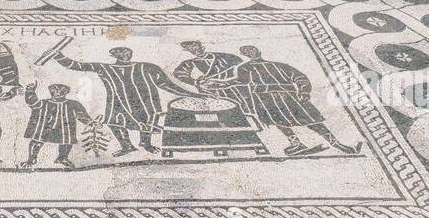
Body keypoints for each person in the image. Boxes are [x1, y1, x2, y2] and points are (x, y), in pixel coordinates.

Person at [206, 45, 362, 156]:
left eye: (252, 49)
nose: (250, 52)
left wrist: (304, 91)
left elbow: (300, 77)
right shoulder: (244, 68)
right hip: (264, 99)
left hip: (289, 95)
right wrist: (218, 84)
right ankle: (296, 143)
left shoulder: (280, 65)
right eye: (246, 51)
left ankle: (337, 144)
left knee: (311, 120)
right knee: (278, 121)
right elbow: (238, 81)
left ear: (259, 50)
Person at [53, 46, 194, 155]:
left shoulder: (147, 67)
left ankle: (146, 144)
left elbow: (166, 84)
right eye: (122, 53)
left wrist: (192, 94)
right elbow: (76, 65)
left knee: (147, 121)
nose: (126, 55)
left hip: (146, 101)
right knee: (115, 123)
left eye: (127, 53)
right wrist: (58, 55)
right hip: (118, 102)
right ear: (114, 55)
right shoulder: (105, 68)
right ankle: (126, 146)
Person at [18, 83, 91, 168]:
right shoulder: (44, 103)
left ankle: (62, 158)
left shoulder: (72, 103)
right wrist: (30, 91)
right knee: (37, 140)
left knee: (67, 142)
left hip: (64, 127)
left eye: (60, 91)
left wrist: (90, 122)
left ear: (65, 93)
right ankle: (31, 159)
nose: (57, 93)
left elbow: (81, 115)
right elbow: (32, 103)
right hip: (46, 126)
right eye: (55, 91)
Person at [173, 39, 243, 94]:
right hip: (208, 90)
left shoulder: (222, 56)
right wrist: (196, 82)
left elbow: (238, 64)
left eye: (197, 48)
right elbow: (179, 74)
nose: (196, 51)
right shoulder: (189, 63)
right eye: (192, 50)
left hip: (229, 87)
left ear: (202, 47)